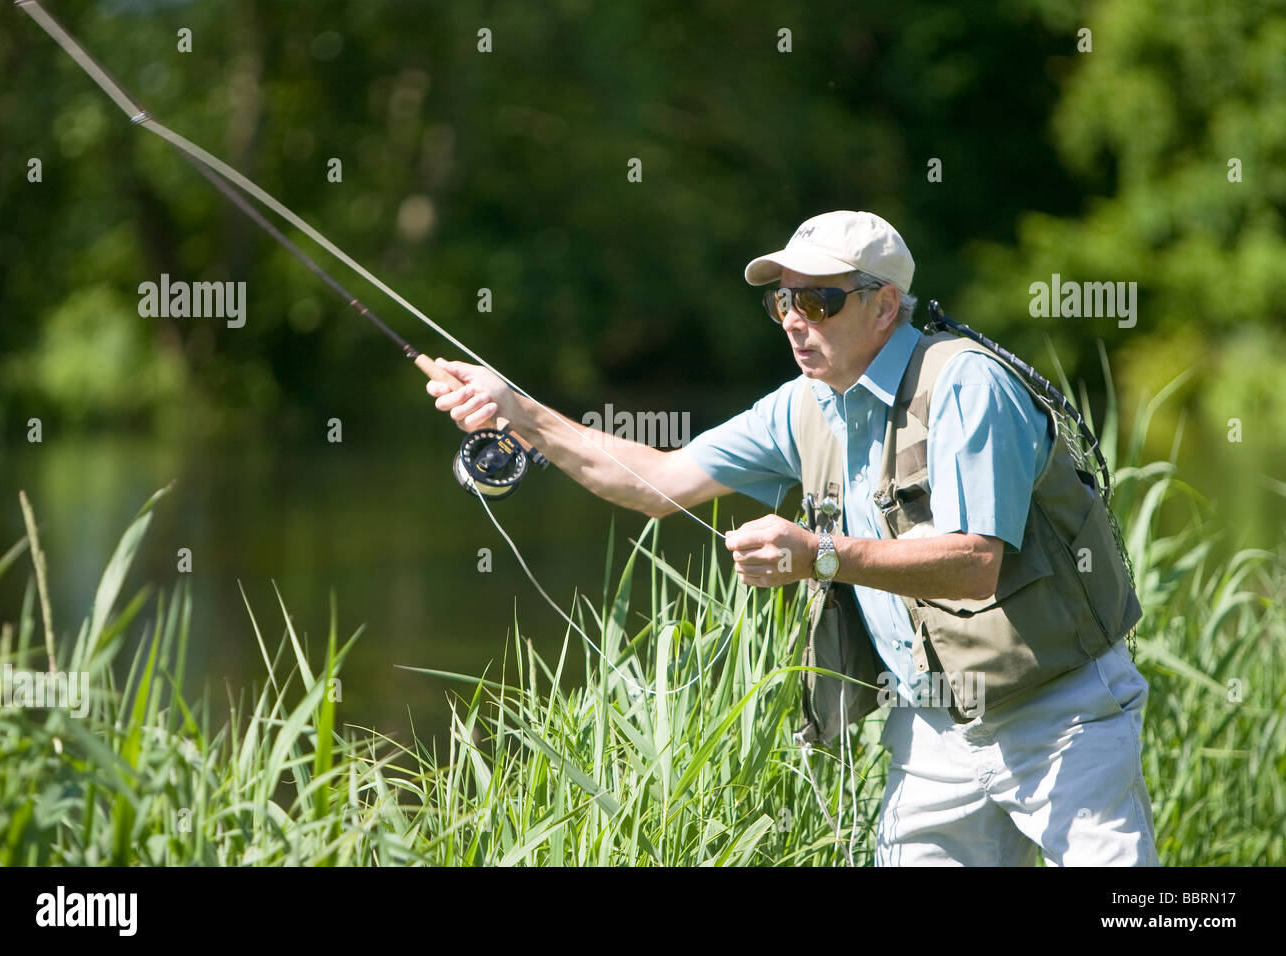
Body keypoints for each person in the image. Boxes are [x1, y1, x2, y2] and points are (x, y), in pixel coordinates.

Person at [426, 210, 1158, 867]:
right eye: (783, 300)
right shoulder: (804, 405)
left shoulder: (966, 386)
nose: (794, 320)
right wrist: (519, 411)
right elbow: (656, 482)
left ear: (884, 307)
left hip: (1060, 711)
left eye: (820, 300)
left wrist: (819, 555)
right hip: (931, 727)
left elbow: (974, 565)